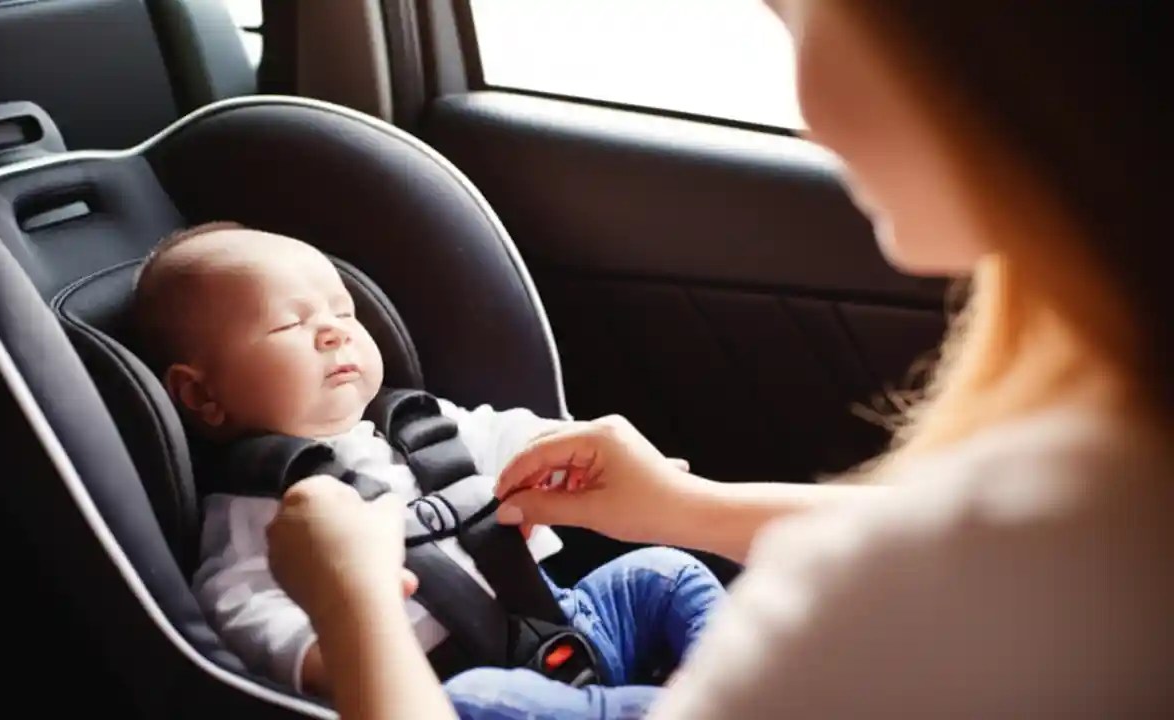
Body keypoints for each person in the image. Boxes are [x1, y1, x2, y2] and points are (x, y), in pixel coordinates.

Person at [263, 0, 1174, 718]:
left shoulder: (887, 599)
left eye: (797, 19)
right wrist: (687, 507)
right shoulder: (1093, 514)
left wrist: (356, 612)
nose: (807, 118)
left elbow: (933, 559)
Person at [128, 222, 727, 716]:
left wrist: (582, 456)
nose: (334, 331)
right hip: (453, 686)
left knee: (665, 573)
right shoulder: (255, 506)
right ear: (202, 395)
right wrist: (335, 646)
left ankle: (716, 687)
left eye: (343, 311)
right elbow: (242, 607)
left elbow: (510, 436)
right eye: (290, 323)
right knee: (481, 700)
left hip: (567, 618)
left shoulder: (418, 425)